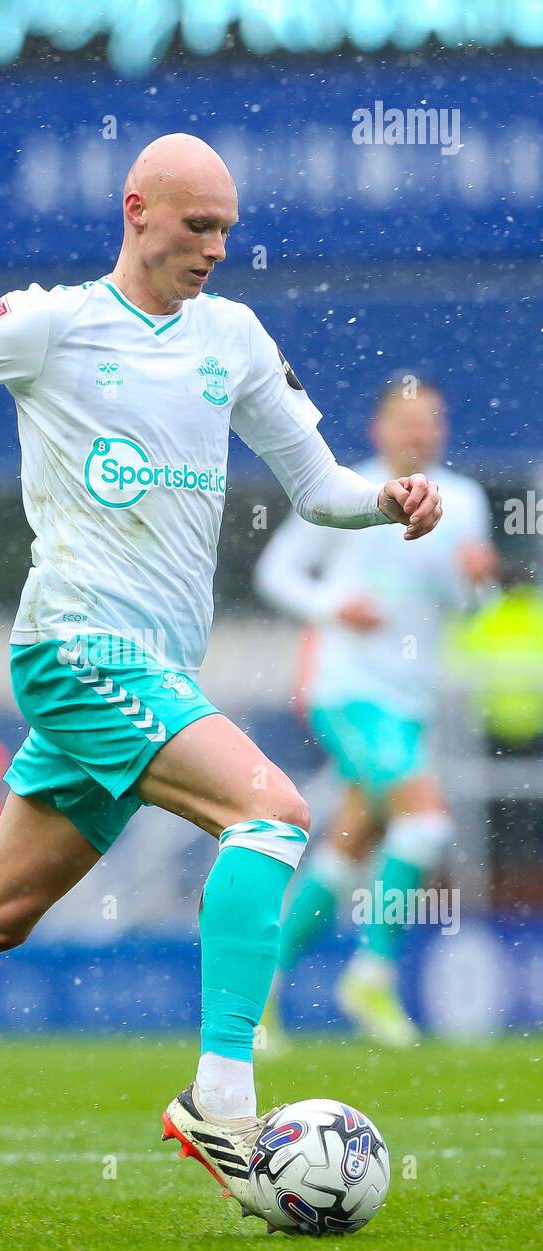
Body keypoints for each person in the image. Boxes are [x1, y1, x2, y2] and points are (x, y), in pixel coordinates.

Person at [0, 135, 441, 1218]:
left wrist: (382, 501)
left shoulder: (232, 337)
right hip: (74, 650)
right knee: (272, 813)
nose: (214, 249)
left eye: (227, 231)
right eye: (196, 226)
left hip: (149, 669)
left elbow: (317, 483)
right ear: (135, 207)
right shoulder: (50, 322)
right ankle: (221, 1100)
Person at [255, 376, 498, 1047]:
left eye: (431, 422)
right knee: (424, 822)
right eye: (406, 422)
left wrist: (476, 582)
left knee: (346, 850)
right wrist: (333, 608)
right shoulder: (345, 491)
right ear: (377, 429)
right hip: (347, 691)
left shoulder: (466, 500)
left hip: (411, 699)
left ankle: (260, 986)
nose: (419, 433)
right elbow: (275, 572)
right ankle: (371, 971)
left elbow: (467, 606)